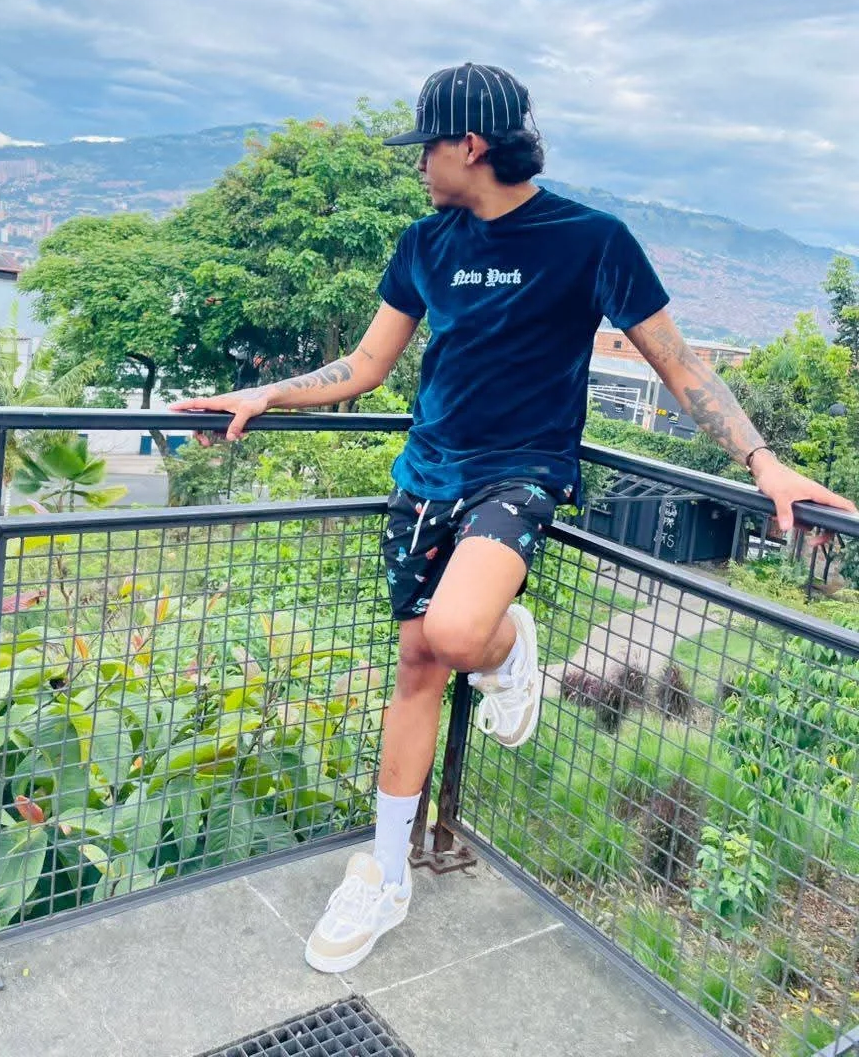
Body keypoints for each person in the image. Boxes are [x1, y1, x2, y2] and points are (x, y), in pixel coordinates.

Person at [170, 62, 856, 975]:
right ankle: (383, 872)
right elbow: (367, 365)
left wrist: (763, 462)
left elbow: (680, 364)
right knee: (417, 664)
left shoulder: (592, 239)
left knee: (456, 633)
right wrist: (263, 394)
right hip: (427, 475)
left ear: (470, 146)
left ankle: (503, 645)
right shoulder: (425, 242)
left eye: (425, 146)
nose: (417, 163)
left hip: (522, 474)